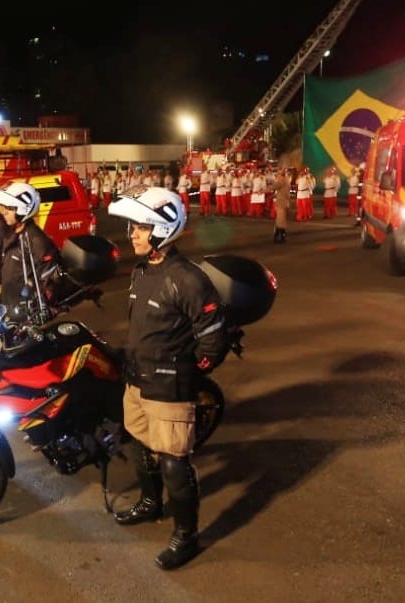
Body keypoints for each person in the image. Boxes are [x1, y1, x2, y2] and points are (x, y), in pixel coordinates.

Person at [107, 185, 228, 571]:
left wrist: (188, 373)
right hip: (137, 379)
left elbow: (213, 339)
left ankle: (186, 535)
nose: (133, 234)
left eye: (141, 227)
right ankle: (149, 502)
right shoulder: (143, 270)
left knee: (174, 462)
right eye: (133, 227)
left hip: (169, 386)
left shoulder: (188, 279)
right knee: (140, 444)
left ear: (163, 229)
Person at [0, 181, 61, 310]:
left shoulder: (37, 241)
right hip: (9, 307)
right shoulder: (12, 234)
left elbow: (49, 283)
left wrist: (34, 305)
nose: (4, 213)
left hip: (26, 313)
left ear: (23, 209)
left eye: (10, 208)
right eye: (4, 208)